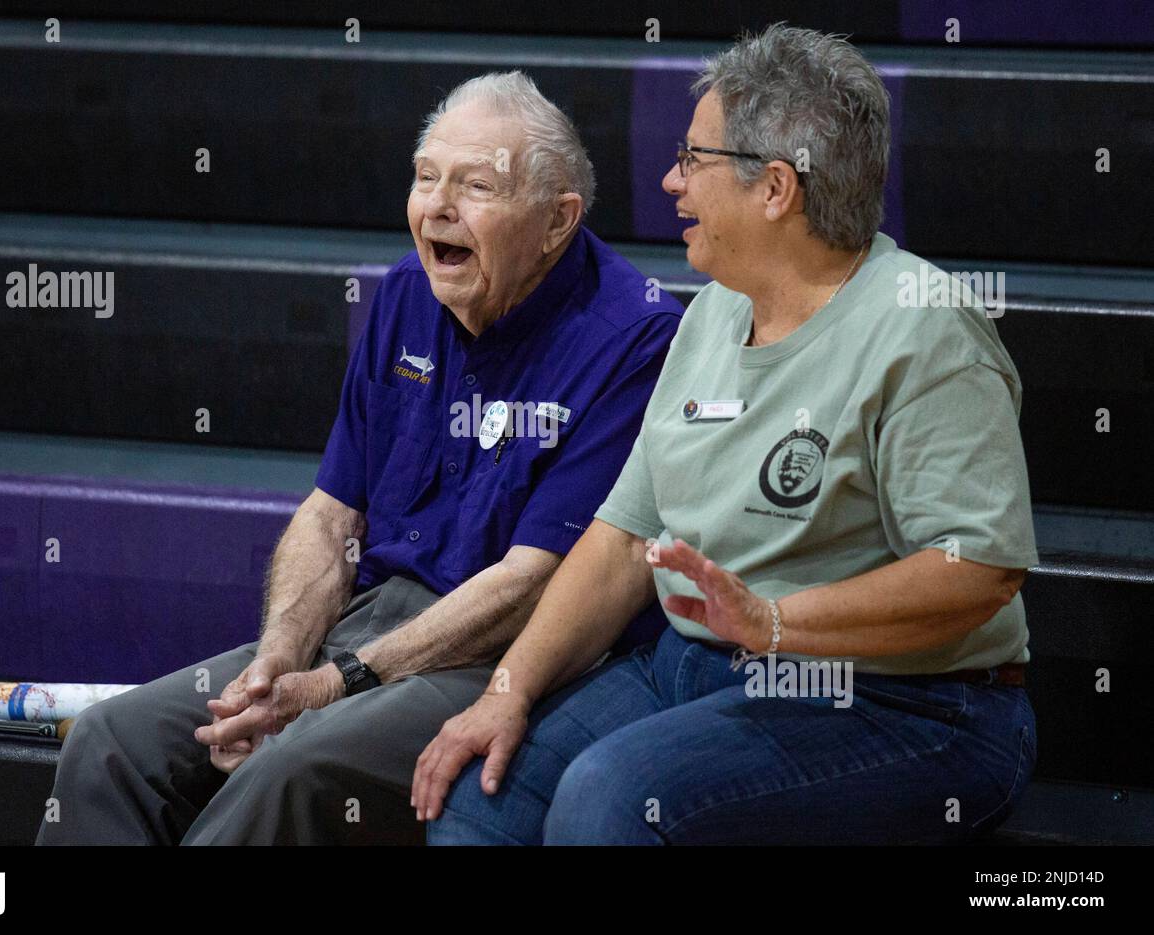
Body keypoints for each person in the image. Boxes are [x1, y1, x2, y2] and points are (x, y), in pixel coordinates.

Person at [415, 26, 1039, 846]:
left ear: (776, 187)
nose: (672, 180)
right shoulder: (713, 311)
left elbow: (978, 572)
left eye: (694, 159)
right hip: (699, 666)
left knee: (609, 803)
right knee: (481, 799)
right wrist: (508, 687)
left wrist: (775, 622)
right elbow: (619, 539)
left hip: (907, 701)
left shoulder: (922, 326)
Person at [35, 71, 682, 845]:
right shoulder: (410, 291)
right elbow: (331, 509)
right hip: (368, 623)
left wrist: (336, 683)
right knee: (110, 742)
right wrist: (279, 661)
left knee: (293, 766)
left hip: (502, 655)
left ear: (556, 221)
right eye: (425, 177)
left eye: (475, 184)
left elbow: (531, 583)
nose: (437, 205)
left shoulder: (635, 338)